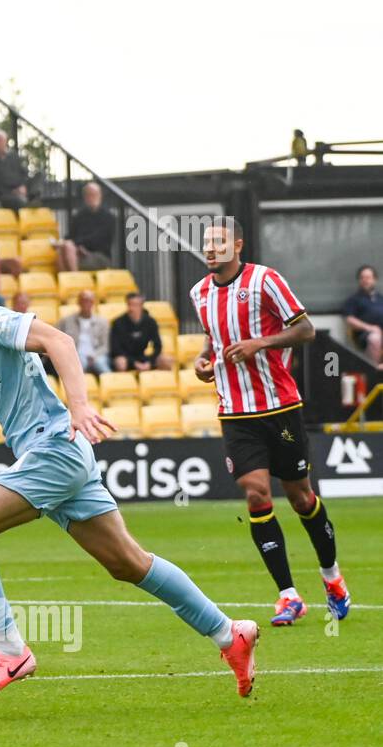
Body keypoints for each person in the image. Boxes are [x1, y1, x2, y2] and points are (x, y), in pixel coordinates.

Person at [0, 251, 259, 698]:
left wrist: (80, 407)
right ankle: (228, 634)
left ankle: (9, 648)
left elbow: (60, 342)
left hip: (55, 448)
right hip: (55, 454)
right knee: (129, 563)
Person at [189, 219, 349, 626]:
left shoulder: (265, 281)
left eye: (218, 242)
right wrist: (204, 363)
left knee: (300, 498)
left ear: (237, 245)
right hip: (236, 413)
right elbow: (215, 341)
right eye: (206, 243)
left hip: (280, 408)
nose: (210, 249)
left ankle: (332, 578)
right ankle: (289, 596)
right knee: (256, 494)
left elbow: (307, 330)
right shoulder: (199, 293)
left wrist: (261, 342)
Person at [58, 182, 117, 272]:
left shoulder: (108, 217)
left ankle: (75, 281)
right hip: (77, 252)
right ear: (85, 197)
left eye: (95, 194)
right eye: (89, 195)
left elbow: (99, 240)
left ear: (100, 196)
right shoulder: (79, 216)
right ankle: (69, 283)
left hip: (99, 256)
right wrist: (65, 243)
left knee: (69, 251)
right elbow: (70, 236)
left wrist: (78, 245)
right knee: (61, 251)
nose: (92, 197)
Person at [110, 292, 170, 371]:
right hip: (127, 358)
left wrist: (149, 361)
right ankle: (124, 382)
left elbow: (158, 346)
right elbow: (116, 349)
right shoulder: (118, 323)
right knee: (120, 362)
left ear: (141, 306)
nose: (131, 308)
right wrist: (134, 363)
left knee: (167, 360)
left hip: (143, 357)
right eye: (129, 304)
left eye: (135, 305)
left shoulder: (150, 322)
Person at [57, 289, 111, 374]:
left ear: (93, 303)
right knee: (79, 365)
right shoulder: (66, 321)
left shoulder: (102, 322)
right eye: (84, 300)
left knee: (102, 365)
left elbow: (105, 346)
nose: (86, 303)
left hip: (96, 354)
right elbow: (56, 338)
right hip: (75, 354)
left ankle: (111, 383)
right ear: (78, 302)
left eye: (89, 301)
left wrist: (94, 355)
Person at [343, 264, 383, 369]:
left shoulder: (380, 298)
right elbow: (349, 319)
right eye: (362, 278)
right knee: (375, 338)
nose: (365, 280)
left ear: (374, 279)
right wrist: (370, 328)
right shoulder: (354, 299)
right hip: (365, 335)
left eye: (368, 277)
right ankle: (373, 371)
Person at [0, 129, 31, 210]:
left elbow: (24, 173)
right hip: (4, 194)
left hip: (20, 189)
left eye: (1, 140)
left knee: (40, 175)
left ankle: (31, 197)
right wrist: (12, 192)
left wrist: (23, 186)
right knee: (18, 201)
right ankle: (29, 202)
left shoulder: (13, 156)